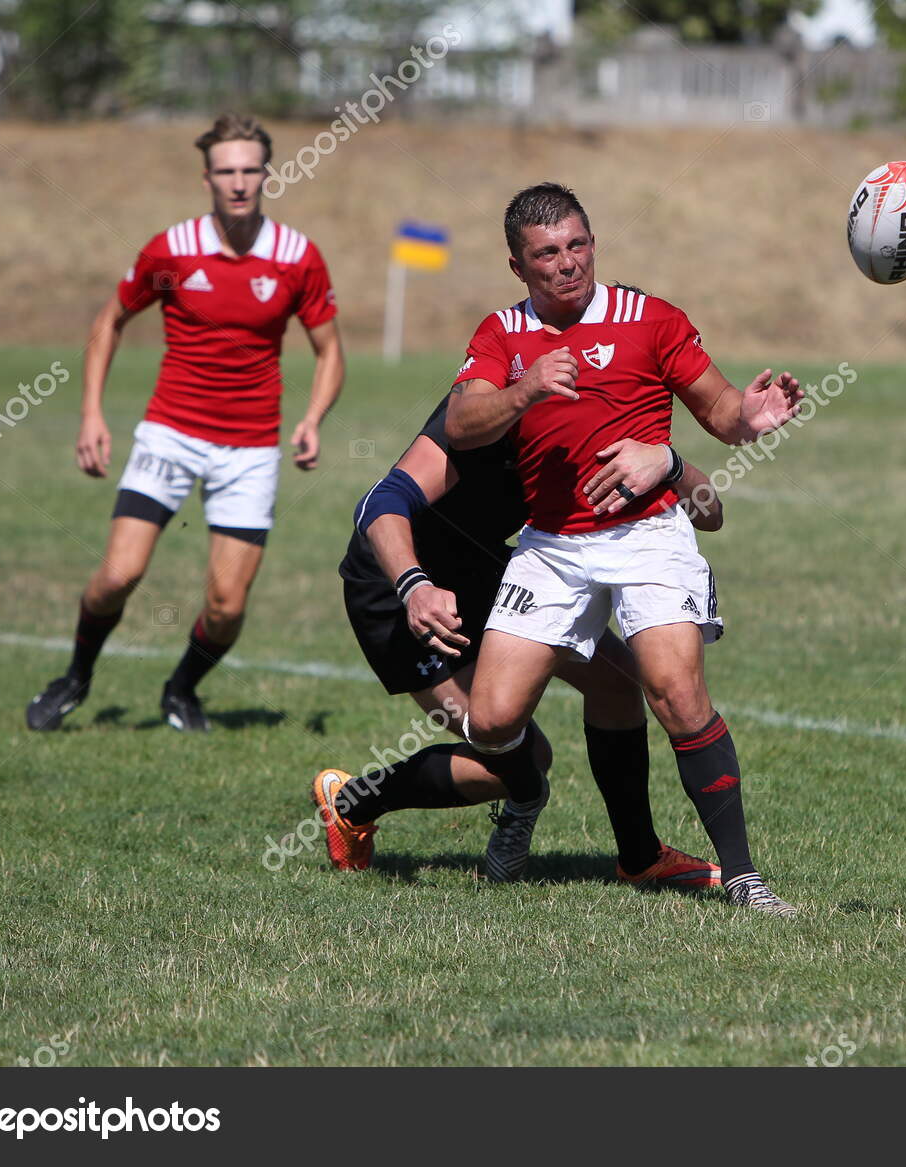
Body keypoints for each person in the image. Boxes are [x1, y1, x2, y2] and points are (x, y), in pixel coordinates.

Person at [445, 183, 804, 916]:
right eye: (548, 254)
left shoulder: (650, 319)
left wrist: (751, 417)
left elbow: (722, 410)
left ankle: (742, 876)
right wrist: (525, 391)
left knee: (676, 692)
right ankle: (527, 801)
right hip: (550, 546)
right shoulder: (504, 333)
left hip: (649, 533)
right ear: (518, 267)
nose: (568, 263)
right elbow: (460, 420)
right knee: (491, 719)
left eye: (579, 244)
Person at [314, 393, 727, 888]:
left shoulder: (598, 415)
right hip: (398, 584)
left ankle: (640, 857)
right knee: (515, 761)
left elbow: (707, 511)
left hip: (485, 567)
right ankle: (355, 804)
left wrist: (668, 463)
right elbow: (379, 503)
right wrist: (413, 586)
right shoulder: (480, 409)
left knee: (616, 683)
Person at [26, 113, 344, 733]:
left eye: (251, 169)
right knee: (118, 576)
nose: (239, 182)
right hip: (170, 434)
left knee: (226, 608)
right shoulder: (172, 251)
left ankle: (180, 689)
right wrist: (91, 412)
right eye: (226, 170)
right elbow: (108, 321)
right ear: (207, 178)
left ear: (266, 175)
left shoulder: (296, 257)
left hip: (250, 450)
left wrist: (313, 418)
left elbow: (330, 349)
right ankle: (75, 677)